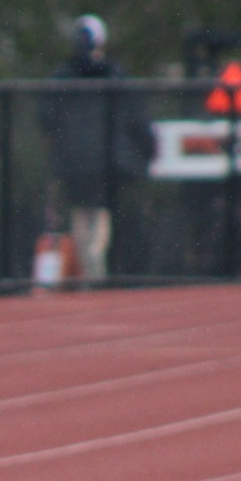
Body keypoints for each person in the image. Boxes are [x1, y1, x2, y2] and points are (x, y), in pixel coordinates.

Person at [35, 14, 151, 283]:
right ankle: (93, 264)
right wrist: (145, 148)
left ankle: (90, 263)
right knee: (98, 210)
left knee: (83, 209)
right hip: (105, 157)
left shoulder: (63, 75)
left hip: (75, 157)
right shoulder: (113, 73)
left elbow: (46, 117)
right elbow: (136, 117)